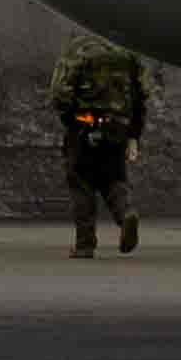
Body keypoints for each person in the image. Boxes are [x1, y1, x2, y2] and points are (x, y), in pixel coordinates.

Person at [49, 34, 152, 256]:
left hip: (83, 124)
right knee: (113, 178)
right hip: (118, 127)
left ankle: (85, 245)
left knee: (81, 182)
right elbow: (141, 95)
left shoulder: (79, 49)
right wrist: (133, 133)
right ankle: (126, 214)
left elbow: (59, 93)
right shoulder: (128, 50)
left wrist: (70, 120)